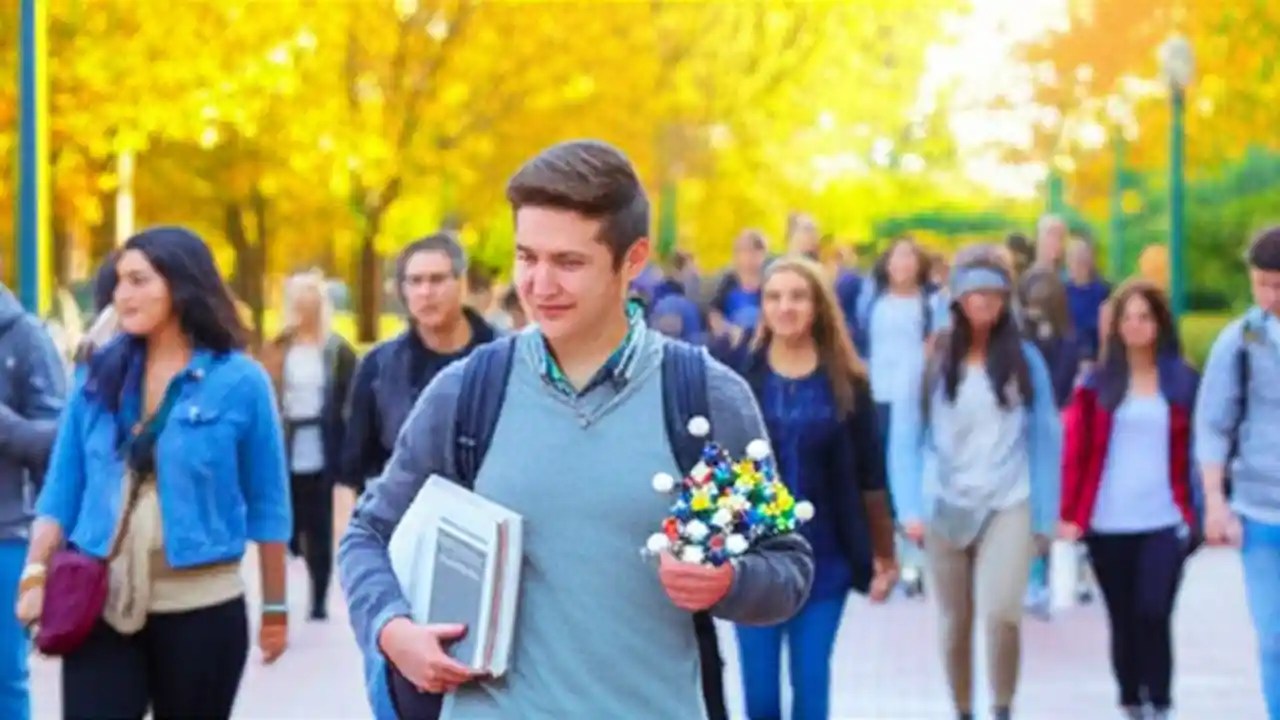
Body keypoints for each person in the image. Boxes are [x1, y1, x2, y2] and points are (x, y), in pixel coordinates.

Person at [339, 139, 813, 719]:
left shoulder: (705, 399)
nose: (539, 285)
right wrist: (392, 630)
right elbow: (367, 535)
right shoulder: (468, 392)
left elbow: (786, 568)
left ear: (632, 259)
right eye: (526, 257)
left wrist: (729, 582)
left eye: (568, 262)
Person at [20, 227, 291, 719]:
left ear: (182, 285)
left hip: (203, 609)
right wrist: (35, 575)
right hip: (101, 601)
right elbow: (61, 489)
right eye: (119, 281)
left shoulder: (241, 382)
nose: (124, 294)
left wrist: (276, 608)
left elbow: (269, 504)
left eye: (140, 280)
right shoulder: (96, 375)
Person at [890, 244, 1062, 720]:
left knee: (1003, 613)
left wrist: (1046, 516)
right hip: (944, 503)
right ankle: (962, 708)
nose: (984, 303)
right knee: (954, 622)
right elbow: (904, 437)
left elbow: (1047, 438)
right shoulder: (932, 359)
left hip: (1009, 500)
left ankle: (1002, 706)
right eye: (974, 294)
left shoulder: (1025, 360)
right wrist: (908, 510)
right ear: (958, 300)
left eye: (994, 294)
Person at [721, 255, 896, 720]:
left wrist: (884, 554)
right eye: (774, 297)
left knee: (811, 688)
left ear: (818, 306)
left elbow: (871, 476)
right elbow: (714, 465)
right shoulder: (739, 377)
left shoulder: (848, 383)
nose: (786, 307)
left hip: (826, 561)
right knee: (759, 699)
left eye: (798, 296)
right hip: (753, 562)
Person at [338, 232, 498, 720]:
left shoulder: (504, 360)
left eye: (436, 279)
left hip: (489, 555)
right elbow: (350, 473)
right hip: (402, 554)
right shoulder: (380, 367)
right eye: (414, 282)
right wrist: (352, 571)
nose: (425, 292)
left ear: (462, 283)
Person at [1061, 280, 1199, 720]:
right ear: (1115, 327)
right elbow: (1075, 453)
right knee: (1122, 617)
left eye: (1145, 317)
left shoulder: (1182, 380)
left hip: (1164, 519)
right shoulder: (1095, 384)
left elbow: (1204, 447)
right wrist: (1067, 516)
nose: (1137, 326)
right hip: (1107, 522)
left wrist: (1203, 509)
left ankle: (1161, 701)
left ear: (1160, 323)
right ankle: (1130, 701)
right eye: (1128, 318)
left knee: (1154, 611)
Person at [1195, 226, 1280, 719]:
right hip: (1260, 510)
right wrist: (1215, 502)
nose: (1268, 296)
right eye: (1260, 283)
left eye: (1278, 285)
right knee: (1273, 636)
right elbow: (1213, 425)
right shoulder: (1240, 343)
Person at [259, 271, 357, 621]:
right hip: (286, 446)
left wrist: (350, 458)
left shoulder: (337, 351)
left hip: (323, 445)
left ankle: (318, 598)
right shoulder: (278, 348)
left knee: (320, 525)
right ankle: (294, 554)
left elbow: (351, 402)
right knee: (290, 523)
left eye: (310, 304)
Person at [854, 236, 948, 597]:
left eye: (910, 258)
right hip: (878, 394)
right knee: (879, 477)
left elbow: (938, 344)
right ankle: (883, 555)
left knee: (910, 471)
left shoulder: (930, 302)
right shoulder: (871, 299)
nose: (903, 265)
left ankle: (913, 559)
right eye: (897, 258)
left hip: (915, 397)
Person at [0, 267, 68, 720]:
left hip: (5, 535)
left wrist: (4, 426)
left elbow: (61, 444)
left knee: (4, 682)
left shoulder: (23, 335)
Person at [708, 229, 768, 337]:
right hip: (730, 335)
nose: (748, 257)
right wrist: (726, 329)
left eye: (753, 251)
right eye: (743, 251)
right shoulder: (729, 281)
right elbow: (715, 312)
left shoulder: (769, 281)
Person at [1065, 239, 1111, 364]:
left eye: (1083, 258)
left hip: (1095, 357)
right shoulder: (1063, 291)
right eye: (1074, 258)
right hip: (1069, 359)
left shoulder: (1104, 291)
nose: (1079, 263)